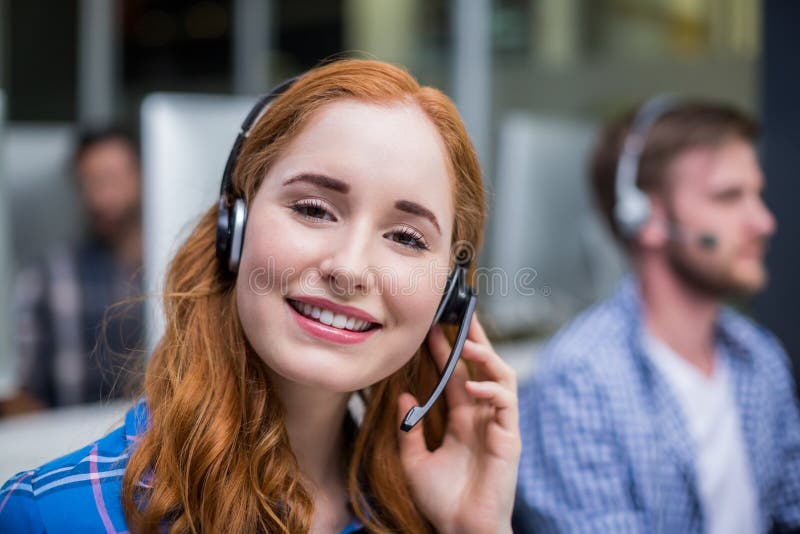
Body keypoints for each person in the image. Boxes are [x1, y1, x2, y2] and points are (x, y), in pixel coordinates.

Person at [0, 59, 520, 533]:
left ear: (449, 294)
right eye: (313, 209)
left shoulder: (422, 513)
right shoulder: (47, 516)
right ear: (235, 228)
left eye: (406, 238)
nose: (348, 269)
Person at [517, 97, 800, 532]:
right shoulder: (579, 380)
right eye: (728, 197)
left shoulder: (760, 357)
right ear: (646, 216)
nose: (763, 222)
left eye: (756, 195)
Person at [6, 126, 144, 412]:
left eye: (111, 179)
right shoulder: (49, 278)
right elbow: (22, 393)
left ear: (142, 176)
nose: (100, 197)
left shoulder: (174, 268)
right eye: (88, 183)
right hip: (74, 437)